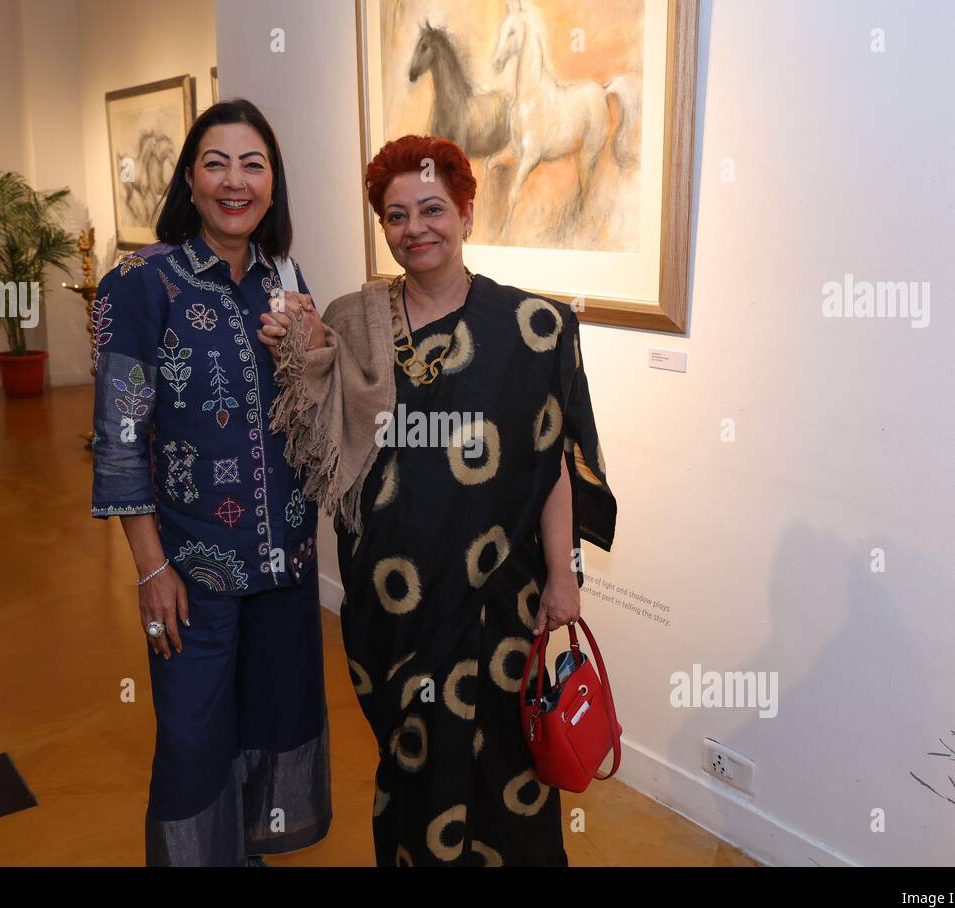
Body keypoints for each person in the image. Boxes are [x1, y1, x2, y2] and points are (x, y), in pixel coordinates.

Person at [258, 134, 616, 866]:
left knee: (510, 768)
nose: (415, 228)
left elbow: (549, 467)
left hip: (497, 597)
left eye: (432, 209)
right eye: (395, 215)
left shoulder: (534, 330)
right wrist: (300, 346)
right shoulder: (354, 320)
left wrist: (562, 575)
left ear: (467, 214)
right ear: (382, 227)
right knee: (412, 760)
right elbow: (320, 424)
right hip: (390, 601)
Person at [90, 98, 330, 866]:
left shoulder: (285, 281)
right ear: (189, 181)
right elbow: (120, 438)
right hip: (192, 570)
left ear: (272, 182)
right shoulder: (140, 283)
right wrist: (150, 568)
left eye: (253, 164)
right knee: (194, 739)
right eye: (216, 163)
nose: (236, 181)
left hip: (285, 564)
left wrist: (315, 350)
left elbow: (316, 419)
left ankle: (248, 852)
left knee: (269, 720)